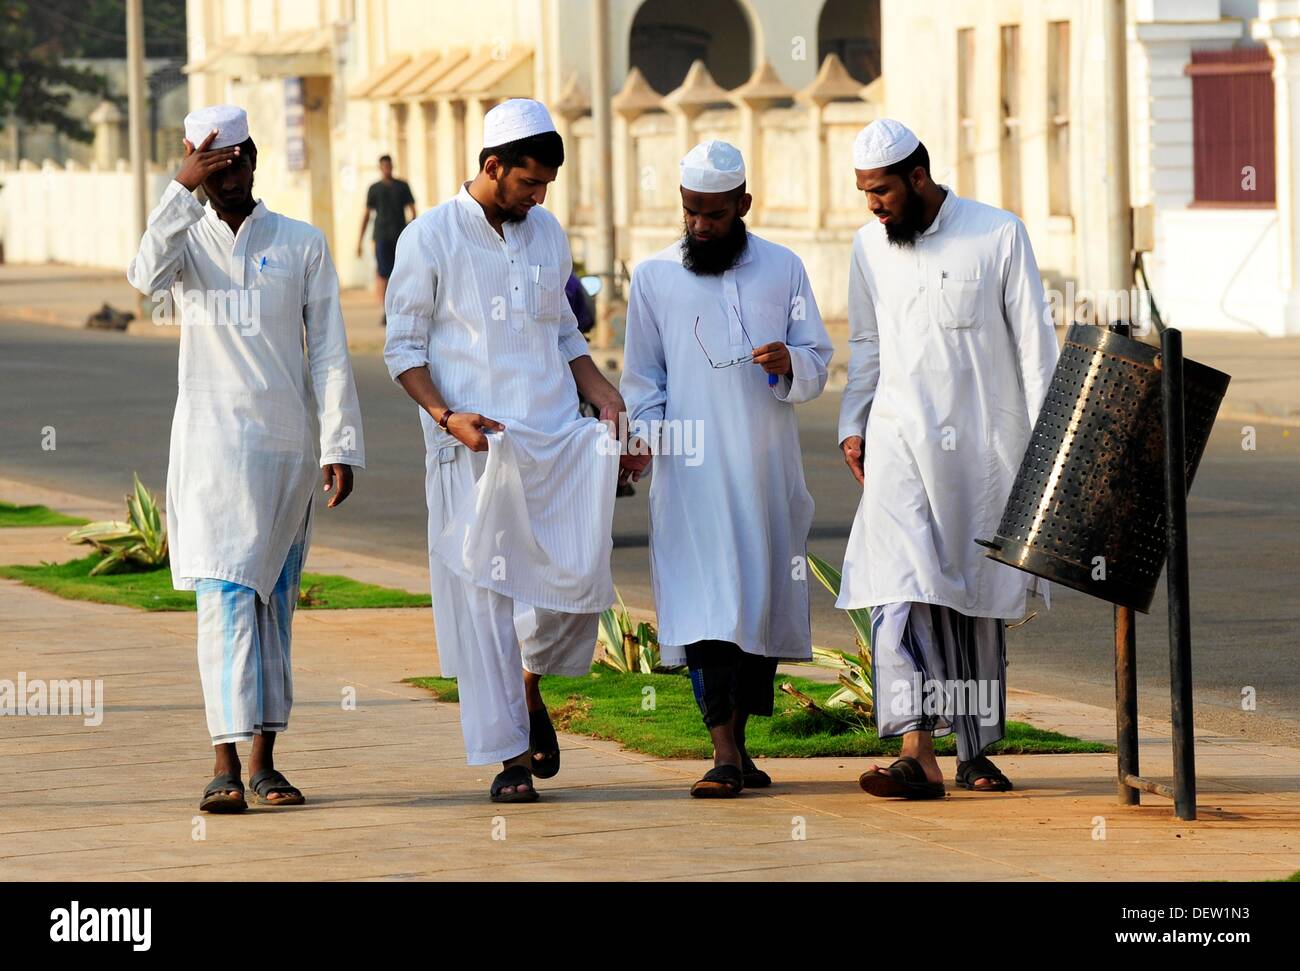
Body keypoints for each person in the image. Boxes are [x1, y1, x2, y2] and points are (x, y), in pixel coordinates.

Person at [383, 98, 626, 803]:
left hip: (554, 437)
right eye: (529, 183)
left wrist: (603, 394)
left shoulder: (546, 233)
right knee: (487, 601)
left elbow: (562, 333)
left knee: (578, 581)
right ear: (492, 167)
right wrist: (444, 413)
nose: (539, 196)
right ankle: (509, 758)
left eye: (546, 184)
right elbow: (403, 348)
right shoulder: (429, 239)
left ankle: (529, 683)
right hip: (477, 444)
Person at [127, 104, 365, 813]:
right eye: (212, 170)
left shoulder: (300, 243)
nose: (225, 182)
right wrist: (180, 186)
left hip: (285, 454)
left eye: (234, 167)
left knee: (272, 607)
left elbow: (327, 351)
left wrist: (340, 443)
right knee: (223, 603)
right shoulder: (185, 241)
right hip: (208, 453)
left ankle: (265, 761)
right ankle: (222, 762)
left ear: (254, 161)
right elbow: (143, 277)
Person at [836, 118, 1058, 799]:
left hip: (985, 453)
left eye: (881, 192)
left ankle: (975, 751)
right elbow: (868, 343)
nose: (873, 206)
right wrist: (853, 423)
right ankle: (915, 748)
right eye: (864, 193)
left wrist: (1048, 454)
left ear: (919, 178)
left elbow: (1034, 346)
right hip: (900, 441)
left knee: (972, 599)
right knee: (898, 585)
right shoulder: (868, 248)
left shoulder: (997, 233)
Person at [620, 140, 833, 798]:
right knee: (707, 605)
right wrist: (647, 438)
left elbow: (819, 356)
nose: (700, 227)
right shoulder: (654, 276)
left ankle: (738, 745)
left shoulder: (784, 268)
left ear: (743, 204)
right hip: (690, 475)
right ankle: (722, 751)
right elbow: (641, 375)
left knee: (756, 604)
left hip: (765, 471)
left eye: (713, 214)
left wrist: (790, 363)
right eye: (690, 213)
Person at [358, 154, 416, 325]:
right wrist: (359, 241)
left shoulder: (402, 186)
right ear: (380, 167)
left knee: (402, 272)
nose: (386, 169)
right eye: (383, 166)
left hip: (400, 235)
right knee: (383, 273)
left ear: (392, 166)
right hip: (382, 236)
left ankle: (402, 308)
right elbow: (367, 215)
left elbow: (413, 210)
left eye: (389, 166)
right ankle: (386, 310)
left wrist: (413, 232)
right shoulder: (374, 189)